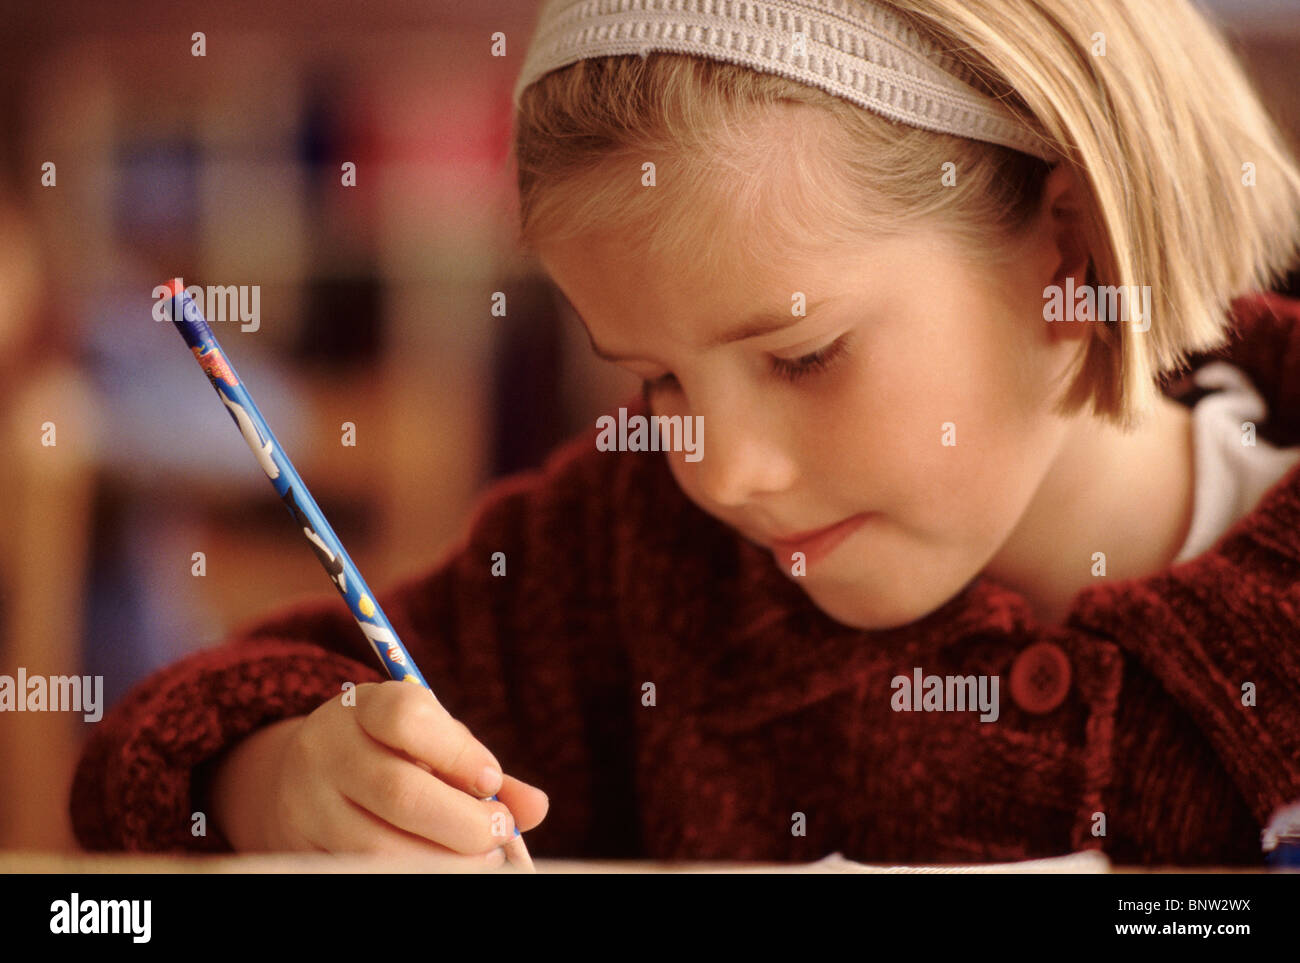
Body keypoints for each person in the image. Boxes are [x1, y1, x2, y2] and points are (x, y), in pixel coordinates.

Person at [72, 0, 1300, 866]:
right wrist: (282, 779)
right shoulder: (630, 566)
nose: (721, 470)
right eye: (657, 381)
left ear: (1069, 247)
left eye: (802, 356)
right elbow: (152, 741)